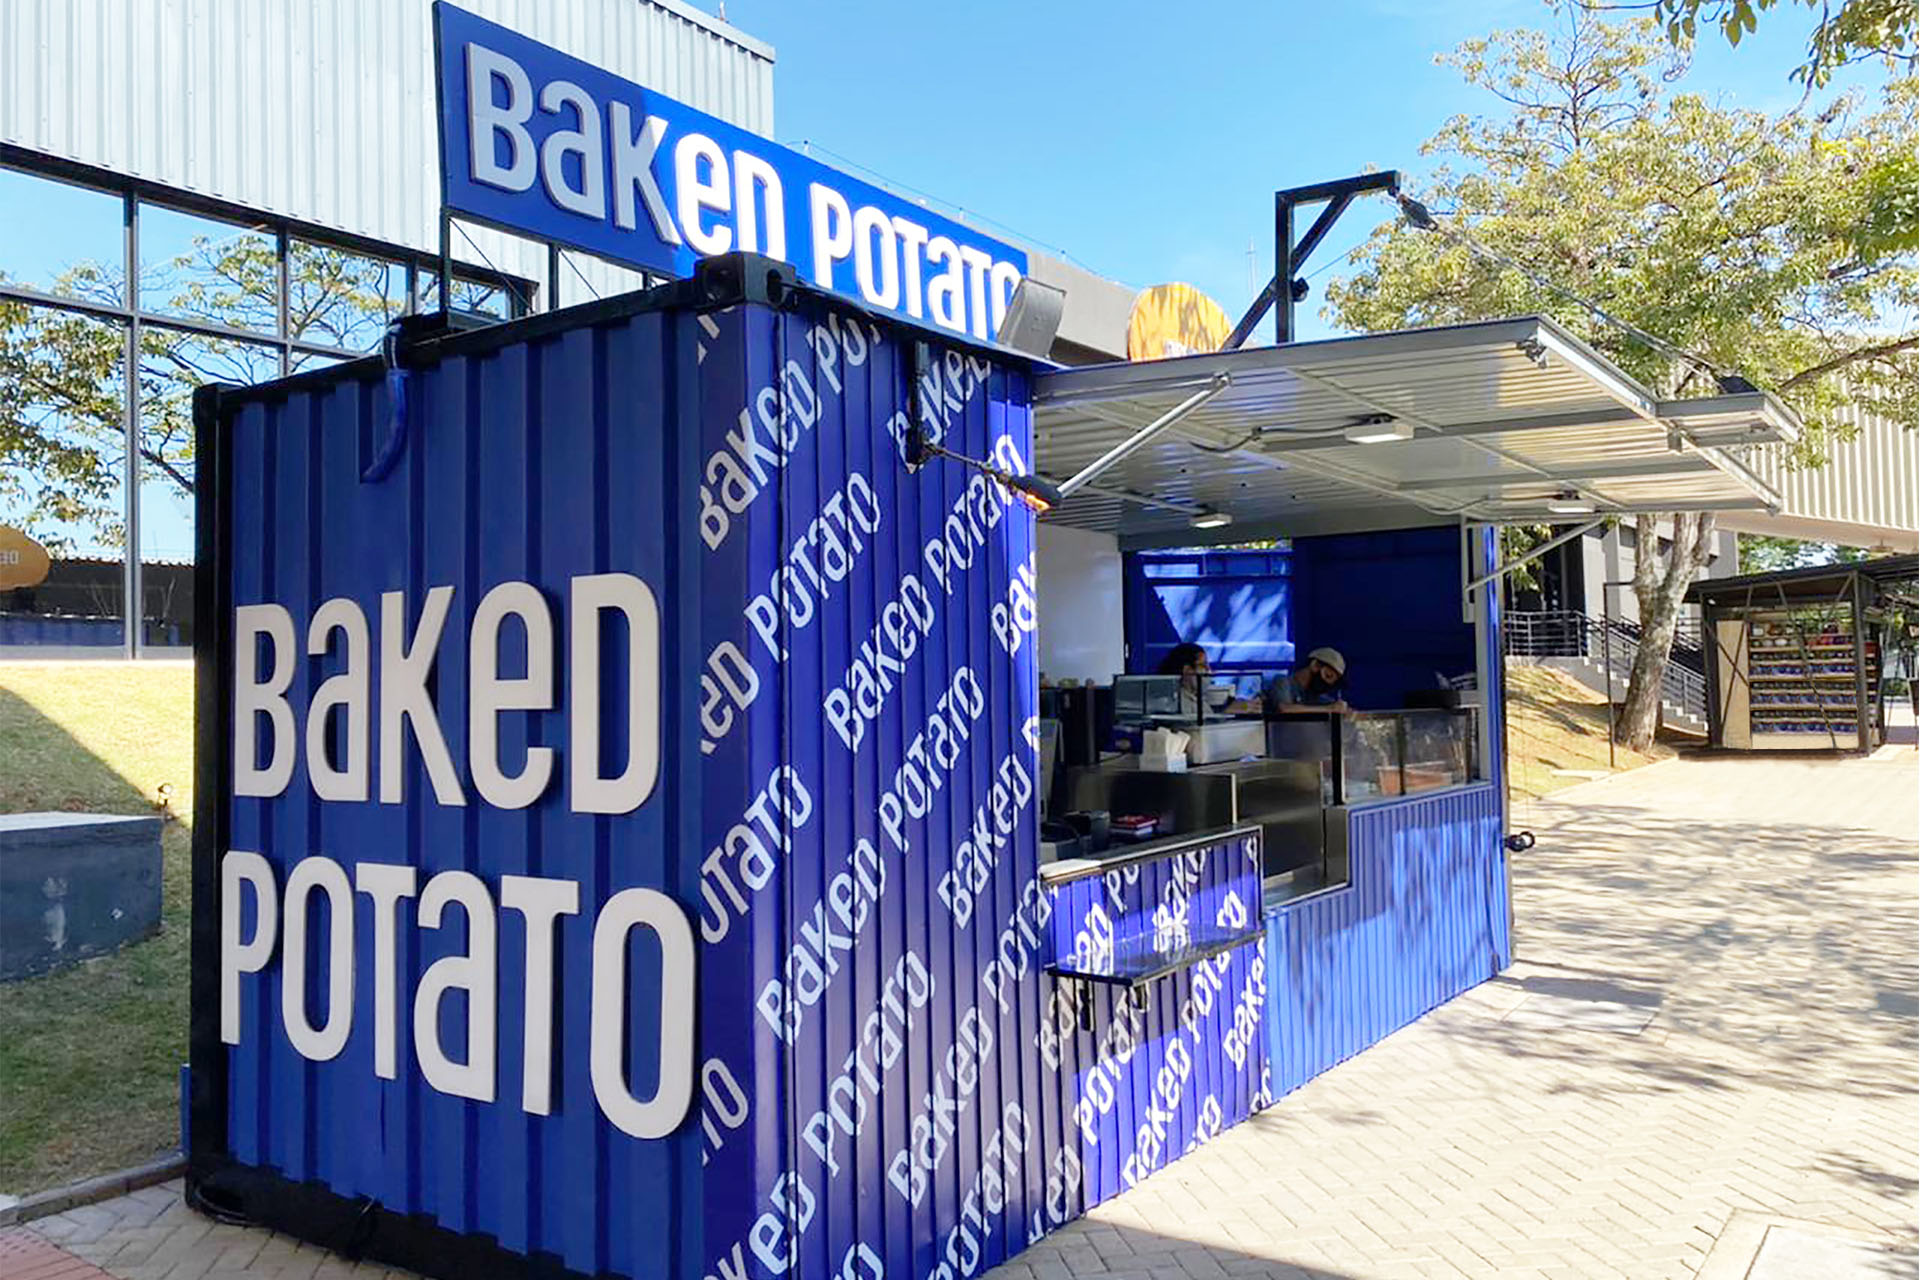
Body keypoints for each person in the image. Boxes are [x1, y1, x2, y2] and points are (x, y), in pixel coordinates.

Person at [1156, 642, 1259, 719]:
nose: (1209, 671)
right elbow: (1196, 730)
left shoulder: (1199, 701)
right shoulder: (1174, 703)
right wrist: (1227, 712)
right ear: (1187, 670)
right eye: (1203, 665)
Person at [1270, 646, 1351, 712]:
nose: (1328, 684)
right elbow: (1285, 709)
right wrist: (1329, 709)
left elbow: (1336, 706)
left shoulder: (1313, 696)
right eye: (1328, 675)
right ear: (1315, 665)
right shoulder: (1283, 682)